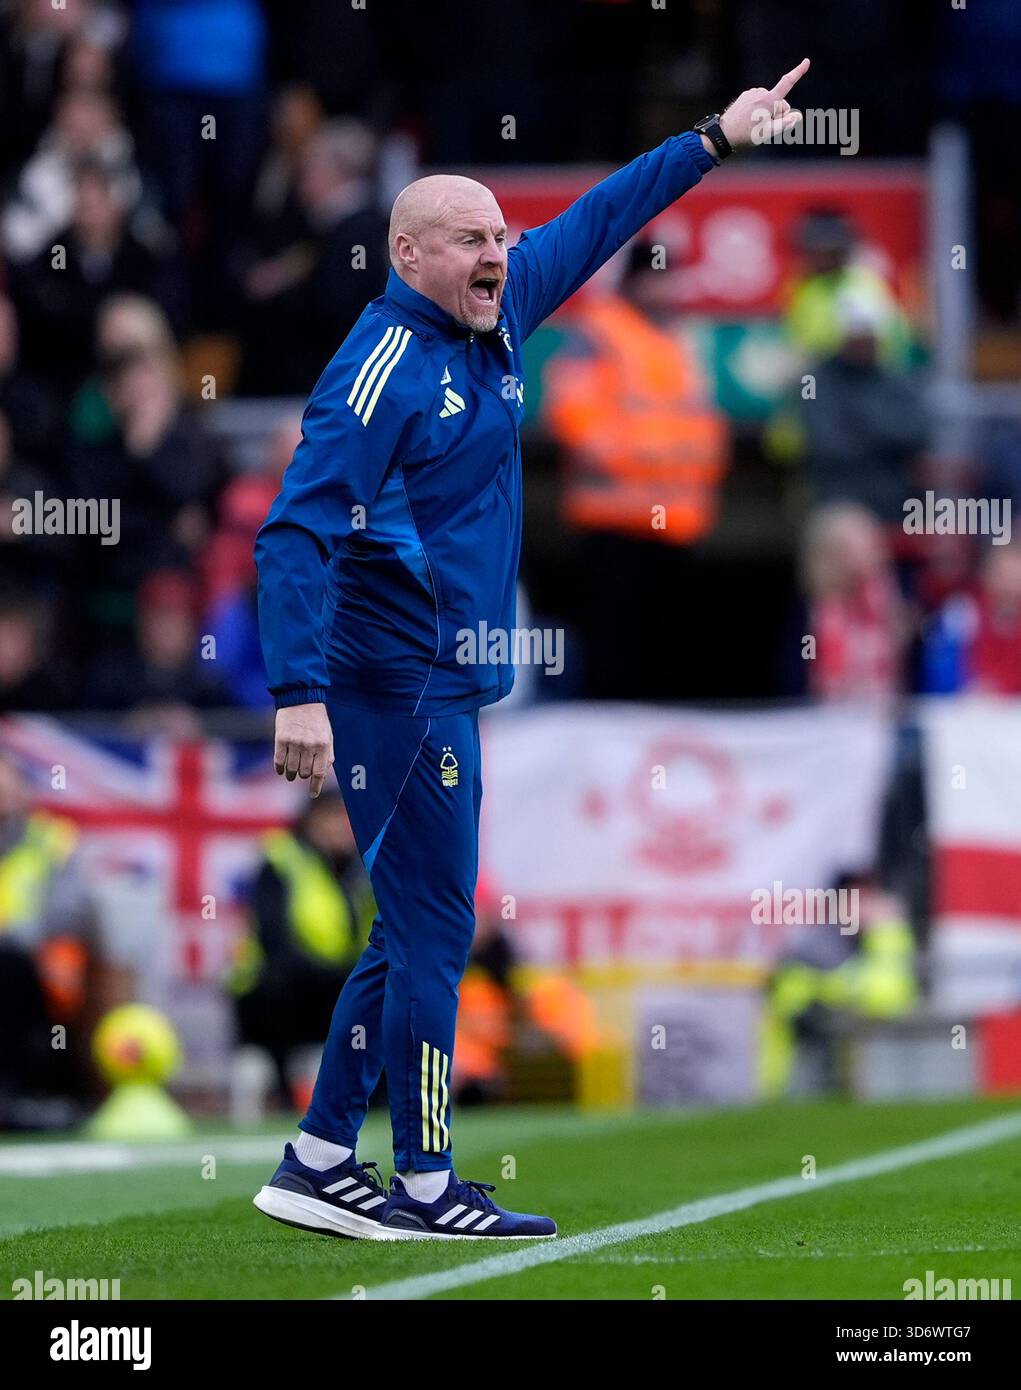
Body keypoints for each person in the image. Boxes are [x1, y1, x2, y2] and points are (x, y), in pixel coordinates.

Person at [252, 60, 812, 1242]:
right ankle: (420, 1181)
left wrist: (715, 136)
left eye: (498, 234)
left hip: (441, 677)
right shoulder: (379, 374)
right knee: (437, 929)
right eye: (464, 239)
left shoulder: (498, 310)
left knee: (407, 928)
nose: (494, 252)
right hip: (387, 684)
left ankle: (314, 1154)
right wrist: (296, 692)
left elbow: (606, 214)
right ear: (406, 256)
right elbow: (293, 527)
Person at [544, 237, 729, 698]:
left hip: (677, 523)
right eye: (657, 279)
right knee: (612, 644)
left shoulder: (680, 339)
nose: (668, 291)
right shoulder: (600, 331)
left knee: (664, 646)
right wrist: (634, 464)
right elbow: (572, 412)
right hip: (615, 518)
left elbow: (702, 420)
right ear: (634, 281)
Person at [228, 791, 375, 1109]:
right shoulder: (281, 858)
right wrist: (342, 976)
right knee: (277, 987)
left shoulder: (359, 870)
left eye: (346, 819)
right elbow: (275, 942)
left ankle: (376, 1101)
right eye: (333, 817)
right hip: (276, 987)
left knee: (383, 993)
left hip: (333, 981)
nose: (342, 828)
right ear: (311, 820)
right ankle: (283, 1095)